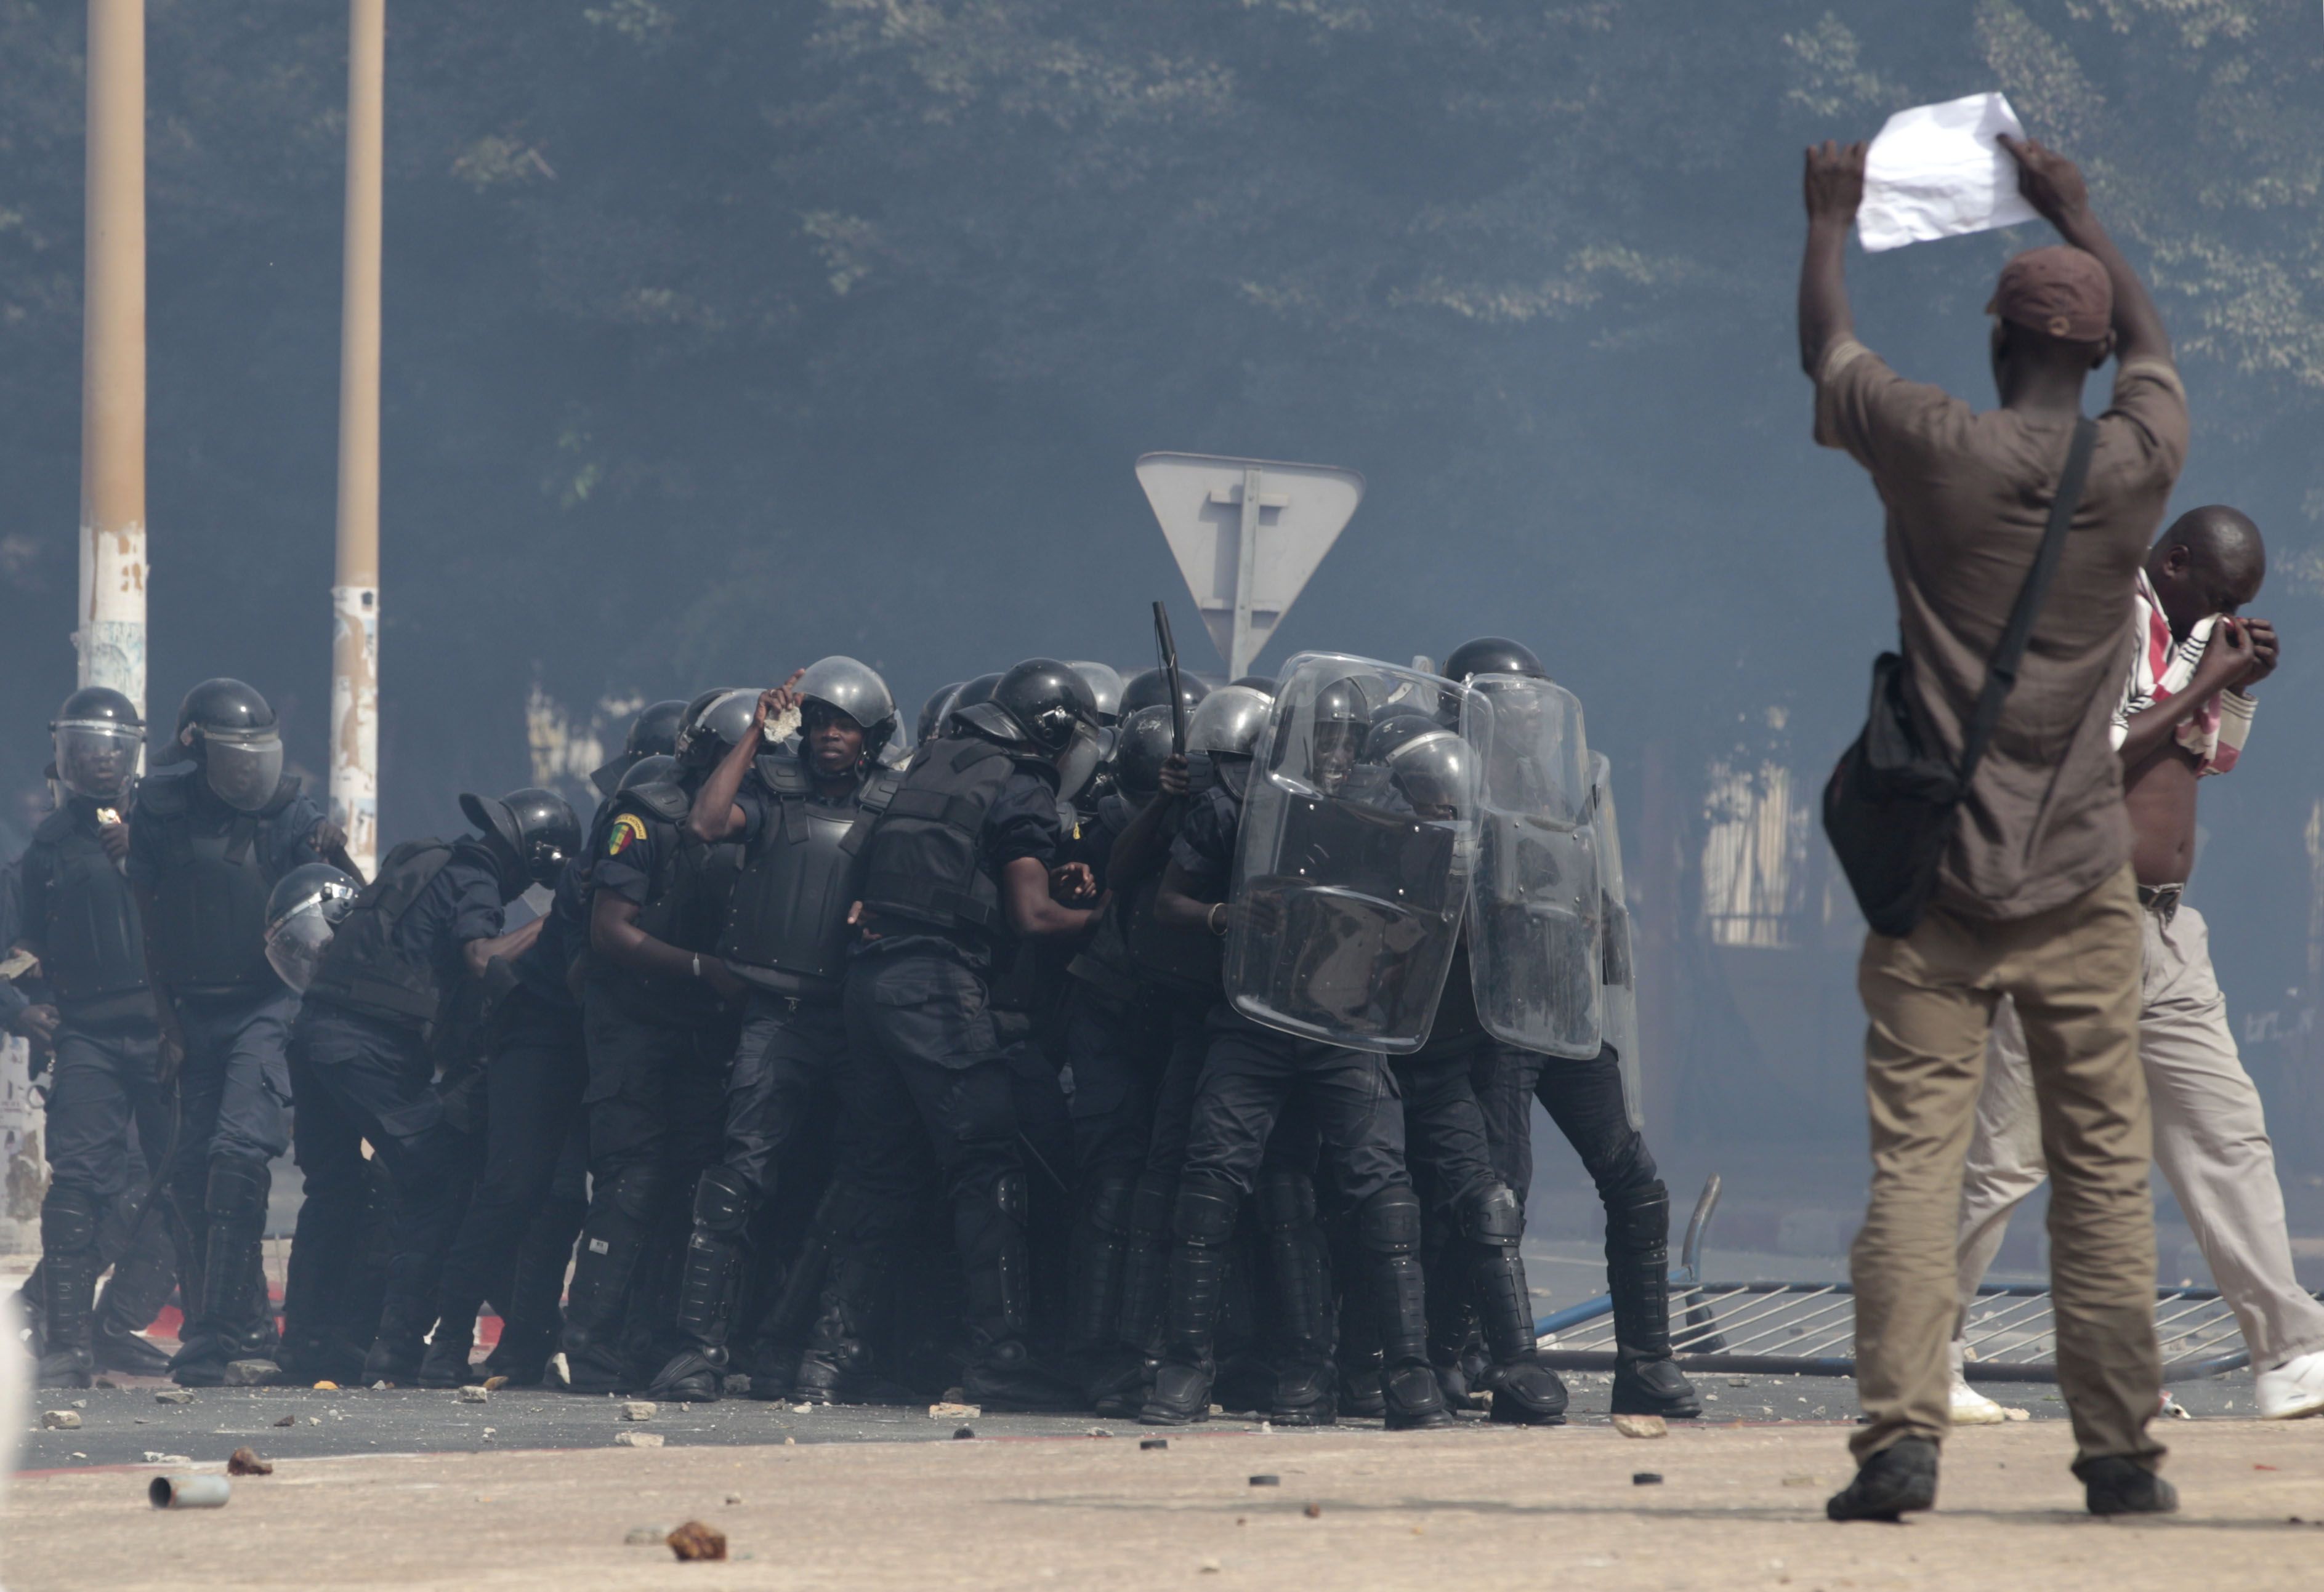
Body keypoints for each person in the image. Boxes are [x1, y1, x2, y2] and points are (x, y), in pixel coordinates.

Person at [1802, 132, 2188, 1518]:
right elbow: (2159, 358)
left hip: (1939, 887)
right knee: (2101, 1170)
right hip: (2082, 875)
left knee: (1918, 1161)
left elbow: (1828, 352)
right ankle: (2120, 1456)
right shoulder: (2135, 467)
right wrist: (2080, 208)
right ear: (2086, 359)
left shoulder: (1937, 451)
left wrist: (1831, 225)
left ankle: (1903, 1438)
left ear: (1995, 344)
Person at [1950, 509, 2324, 1423]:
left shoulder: (2191, 635)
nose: (2226, 610)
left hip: (2163, 933)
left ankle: (2289, 1353)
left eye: (2241, 604)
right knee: (2005, 1160)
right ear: (2175, 558)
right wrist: (2217, 672)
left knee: (2225, 1133)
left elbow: (2210, 759)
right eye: (2219, 592)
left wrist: (2236, 687)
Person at [1139, 669, 1453, 1431]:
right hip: (1253, 1021)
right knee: (1211, 1181)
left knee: (1381, 1189)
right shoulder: (1238, 803)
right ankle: (1185, 1365)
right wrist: (1229, 913)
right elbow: (1169, 902)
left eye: (1348, 737)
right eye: (1325, 735)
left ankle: (1408, 1373)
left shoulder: (1382, 811)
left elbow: (1424, 914)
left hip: (1345, 1025)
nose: (1336, 751)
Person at [810, 658, 1104, 1410]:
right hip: (939, 991)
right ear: (1055, 731)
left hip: (869, 982)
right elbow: (1033, 918)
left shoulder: (932, 761)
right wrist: (1111, 922)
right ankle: (999, 1360)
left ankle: (827, 1359)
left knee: (878, 1171)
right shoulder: (1022, 783)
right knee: (987, 1165)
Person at [1443, 637, 1700, 1421]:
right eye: (1506, 711)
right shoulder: (1442, 779)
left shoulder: (1572, 787)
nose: (1521, 726)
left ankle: (1646, 1363)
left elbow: (1602, 898)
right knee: (1495, 1195)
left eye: (1529, 712)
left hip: (1566, 1008)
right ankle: (1480, 1359)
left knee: (1637, 1185)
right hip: (1494, 1018)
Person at [645, 659, 903, 1402]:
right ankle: (699, 1350)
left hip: (852, 1024)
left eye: (845, 724)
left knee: (855, 1187)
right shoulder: (772, 796)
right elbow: (703, 821)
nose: (829, 735)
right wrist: (759, 731)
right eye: (820, 721)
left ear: (872, 737)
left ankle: (825, 1353)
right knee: (737, 1179)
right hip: (774, 1017)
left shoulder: (894, 805)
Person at [289, 788, 575, 1383]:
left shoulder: (421, 859)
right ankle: (395, 1350)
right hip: (367, 1046)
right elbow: (483, 960)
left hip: (315, 1033)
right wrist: (559, 916)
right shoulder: (475, 879)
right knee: (440, 1178)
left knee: (333, 1193)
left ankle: (309, 1350)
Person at [129, 678, 339, 1387]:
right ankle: (238, 1323)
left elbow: (333, 900)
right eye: (234, 756)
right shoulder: (157, 812)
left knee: (237, 1157)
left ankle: (220, 1334)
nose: (250, 769)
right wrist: (167, 1024)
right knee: (190, 1174)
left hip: (265, 1004)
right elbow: (150, 922)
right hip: (191, 1010)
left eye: (259, 754)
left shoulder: (288, 811)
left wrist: (329, 850)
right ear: (197, 752)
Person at [558, 691, 753, 1393]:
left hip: (703, 1029)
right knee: (632, 1182)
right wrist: (703, 969)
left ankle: (650, 1343)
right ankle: (591, 1347)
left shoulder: (753, 821)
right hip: (635, 1024)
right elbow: (611, 931)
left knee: (691, 1189)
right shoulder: (644, 815)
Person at [12, 689, 177, 1386]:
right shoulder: (45, 852)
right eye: (86, 749)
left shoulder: (166, 834)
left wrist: (146, 855)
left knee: (179, 1179)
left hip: (168, 1030)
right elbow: (14, 951)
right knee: (80, 1187)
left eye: (113, 748)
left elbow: (211, 914)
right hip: (86, 1035)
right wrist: (21, 1009)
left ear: (134, 753)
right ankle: (65, 1342)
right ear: (64, 757)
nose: (101, 762)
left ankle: (117, 1325)